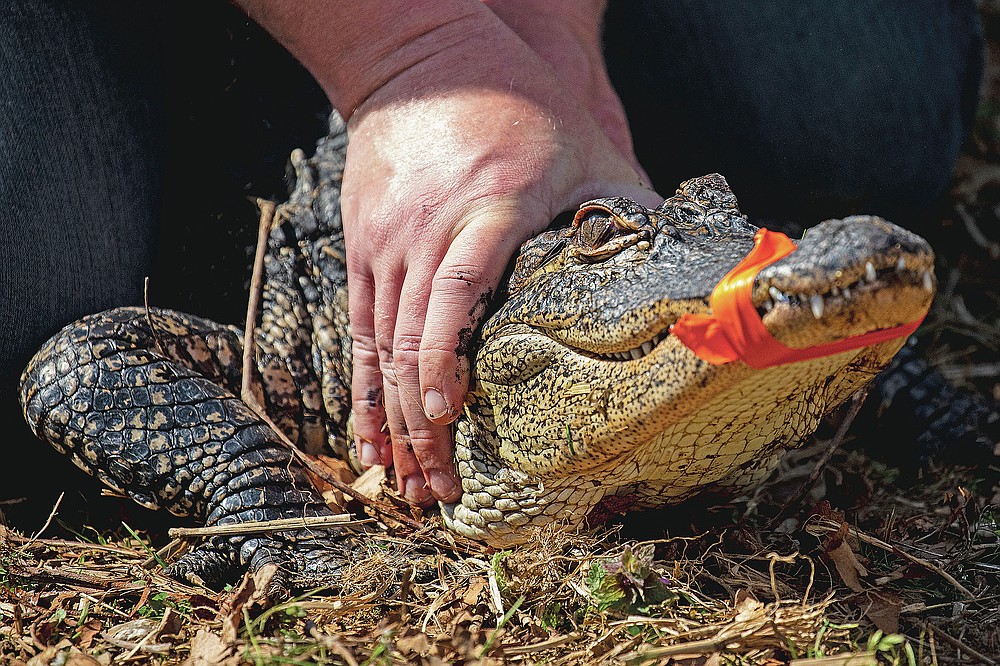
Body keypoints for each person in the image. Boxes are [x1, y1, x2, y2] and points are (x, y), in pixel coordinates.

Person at [0, 0, 983, 525]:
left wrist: (550, 37)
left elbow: (805, 290)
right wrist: (413, 54)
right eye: (605, 240)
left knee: (867, 107)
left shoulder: (733, 299)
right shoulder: (301, 356)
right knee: (24, 300)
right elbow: (82, 367)